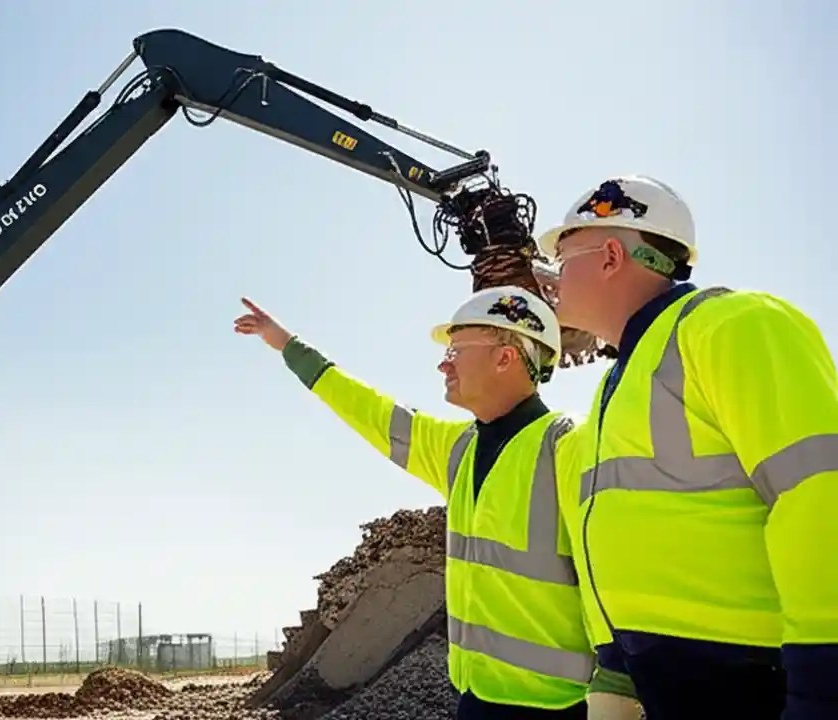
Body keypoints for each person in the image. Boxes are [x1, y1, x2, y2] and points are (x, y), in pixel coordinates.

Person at [534, 174, 838, 720]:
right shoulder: (617, 381)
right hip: (668, 678)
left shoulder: (734, 325)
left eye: (563, 258)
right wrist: (614, 659)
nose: (552, 278)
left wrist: (824, 684)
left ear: (609, 255)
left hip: (758, 680)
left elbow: (820, 492)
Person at [235, 286, 611, 719]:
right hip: (476, 699)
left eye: (456, 348)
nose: (443, 362)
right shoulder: (457, 449)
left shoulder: (568, 448)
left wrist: (617, 684)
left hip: (558, 707)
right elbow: (371, 411)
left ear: (505, 356)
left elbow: (614, 575)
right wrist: (287, 346)